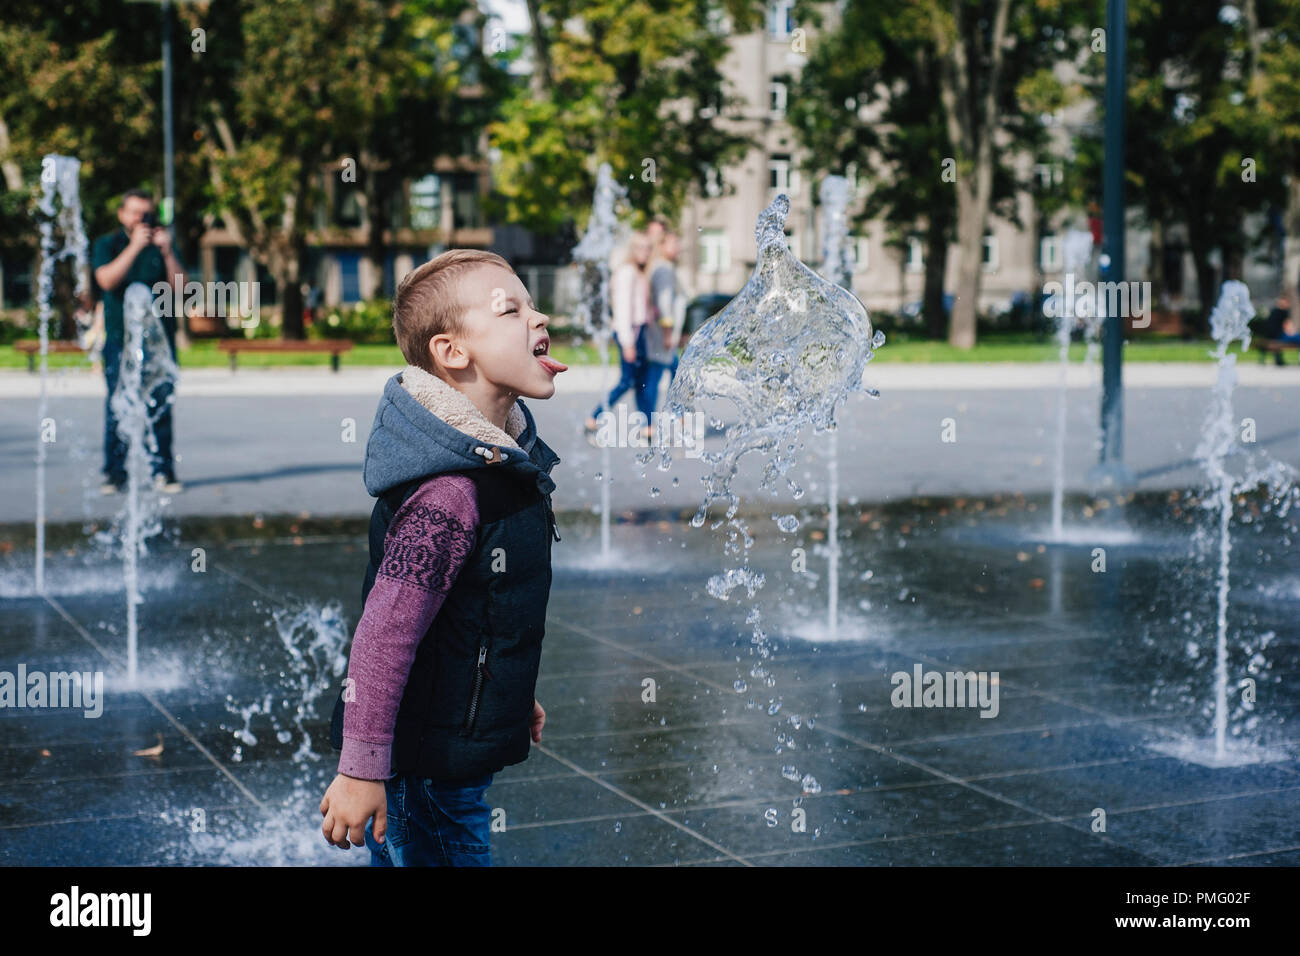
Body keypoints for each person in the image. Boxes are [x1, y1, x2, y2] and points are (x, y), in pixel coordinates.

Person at [320, 249, 563, 867]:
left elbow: (483, 612)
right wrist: (360, 769)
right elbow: (384, 635)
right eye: (512, 310)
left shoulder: (496, 463)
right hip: (420, 766)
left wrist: (509, 691)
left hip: (442, 745)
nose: (539, 319)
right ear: (452, 352)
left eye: (531, 304)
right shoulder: (449, 493)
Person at [91, 189, 185, 494]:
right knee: (117, 405)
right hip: (121, 339)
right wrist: (133, 247)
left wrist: (168, 252)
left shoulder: (162, 244)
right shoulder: (109, 244)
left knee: (160, 404)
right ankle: (115, 474)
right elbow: (106, 280)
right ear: (122, 214)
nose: (140, 219)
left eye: (145, 213)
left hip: (159, 341)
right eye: (134, 213)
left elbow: (182, 290)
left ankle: (164, 472)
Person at [583, 231, 655, 443]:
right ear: (631, 249)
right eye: (640, 247)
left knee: (640, 381)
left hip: (639, 330)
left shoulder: (637, 272)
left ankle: (648, 427)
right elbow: (622, 310)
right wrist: (627, 342)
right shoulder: (627, 273)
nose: (646, 252)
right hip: (630, 331)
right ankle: (593, 418)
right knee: (626, 381)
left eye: (649, 248)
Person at [642, 228, 688, 414]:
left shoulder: (662, 267)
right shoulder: (664, 269)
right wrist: (669, 333)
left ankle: (674, 416)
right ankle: (651, 421)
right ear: (662, 246)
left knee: (673, 374)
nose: (678, 247)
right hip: (663, 336)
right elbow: (664, 302)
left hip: (664, 334)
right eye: (674, 243)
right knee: (656, 376)